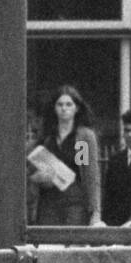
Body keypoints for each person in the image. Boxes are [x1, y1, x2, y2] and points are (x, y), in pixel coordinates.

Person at [28, 85, 102, 227]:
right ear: (54, 108)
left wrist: (95, 212)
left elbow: (90, 175)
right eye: (60, 104)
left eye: (69, 104)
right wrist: (36, 177)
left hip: (74, 204)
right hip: (48, 204)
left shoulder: (82, 137)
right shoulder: (47, 138)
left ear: (77, 108)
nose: (64, 108)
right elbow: (29, 169)